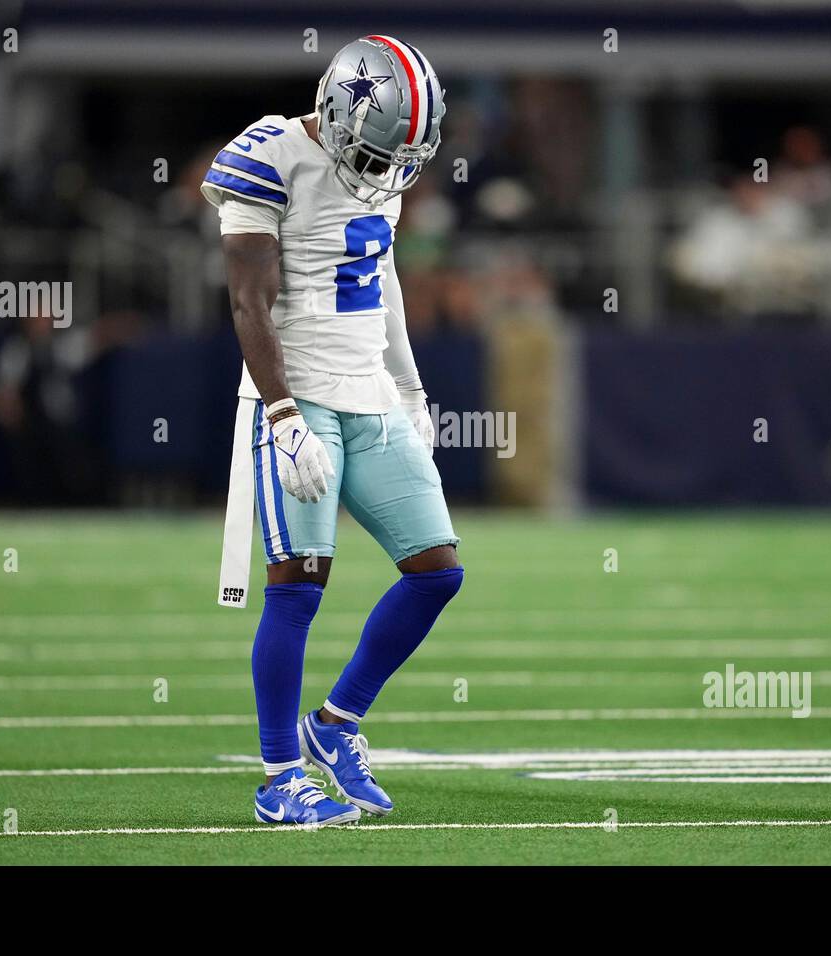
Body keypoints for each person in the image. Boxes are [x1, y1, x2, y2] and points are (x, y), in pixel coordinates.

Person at [202, 36, 463, 827]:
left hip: (371, 391)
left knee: (437, 572)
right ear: (337, 108)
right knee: (297, 589)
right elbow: (248, 302)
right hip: (299, 392)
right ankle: (279, 774)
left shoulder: (384, 161)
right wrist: (282, 415)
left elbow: (381, 275)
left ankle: (335, 723)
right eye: (379, 150)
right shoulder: (270, 154)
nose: (387, 171)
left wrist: (411, 386)